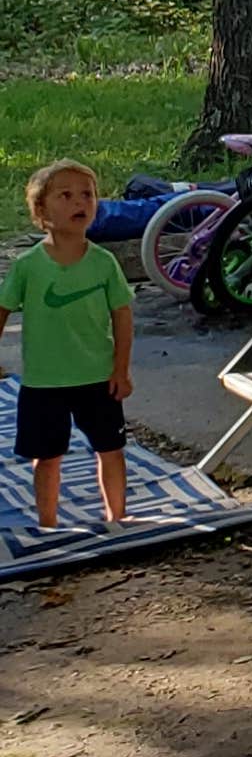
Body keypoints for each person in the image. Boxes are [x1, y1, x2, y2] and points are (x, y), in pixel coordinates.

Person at [5, 161, 137, 528]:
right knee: (46, 457)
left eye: (88, 194)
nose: (80, 202)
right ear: (41, 211)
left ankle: (118, 515)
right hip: (43, 383)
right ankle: (48, 522)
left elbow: (123, 316)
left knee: (111, 449)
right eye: (66, 195)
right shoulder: (28, 267)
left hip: (98, 377)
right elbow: (2, 309)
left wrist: (121, 369)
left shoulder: (104, 264)